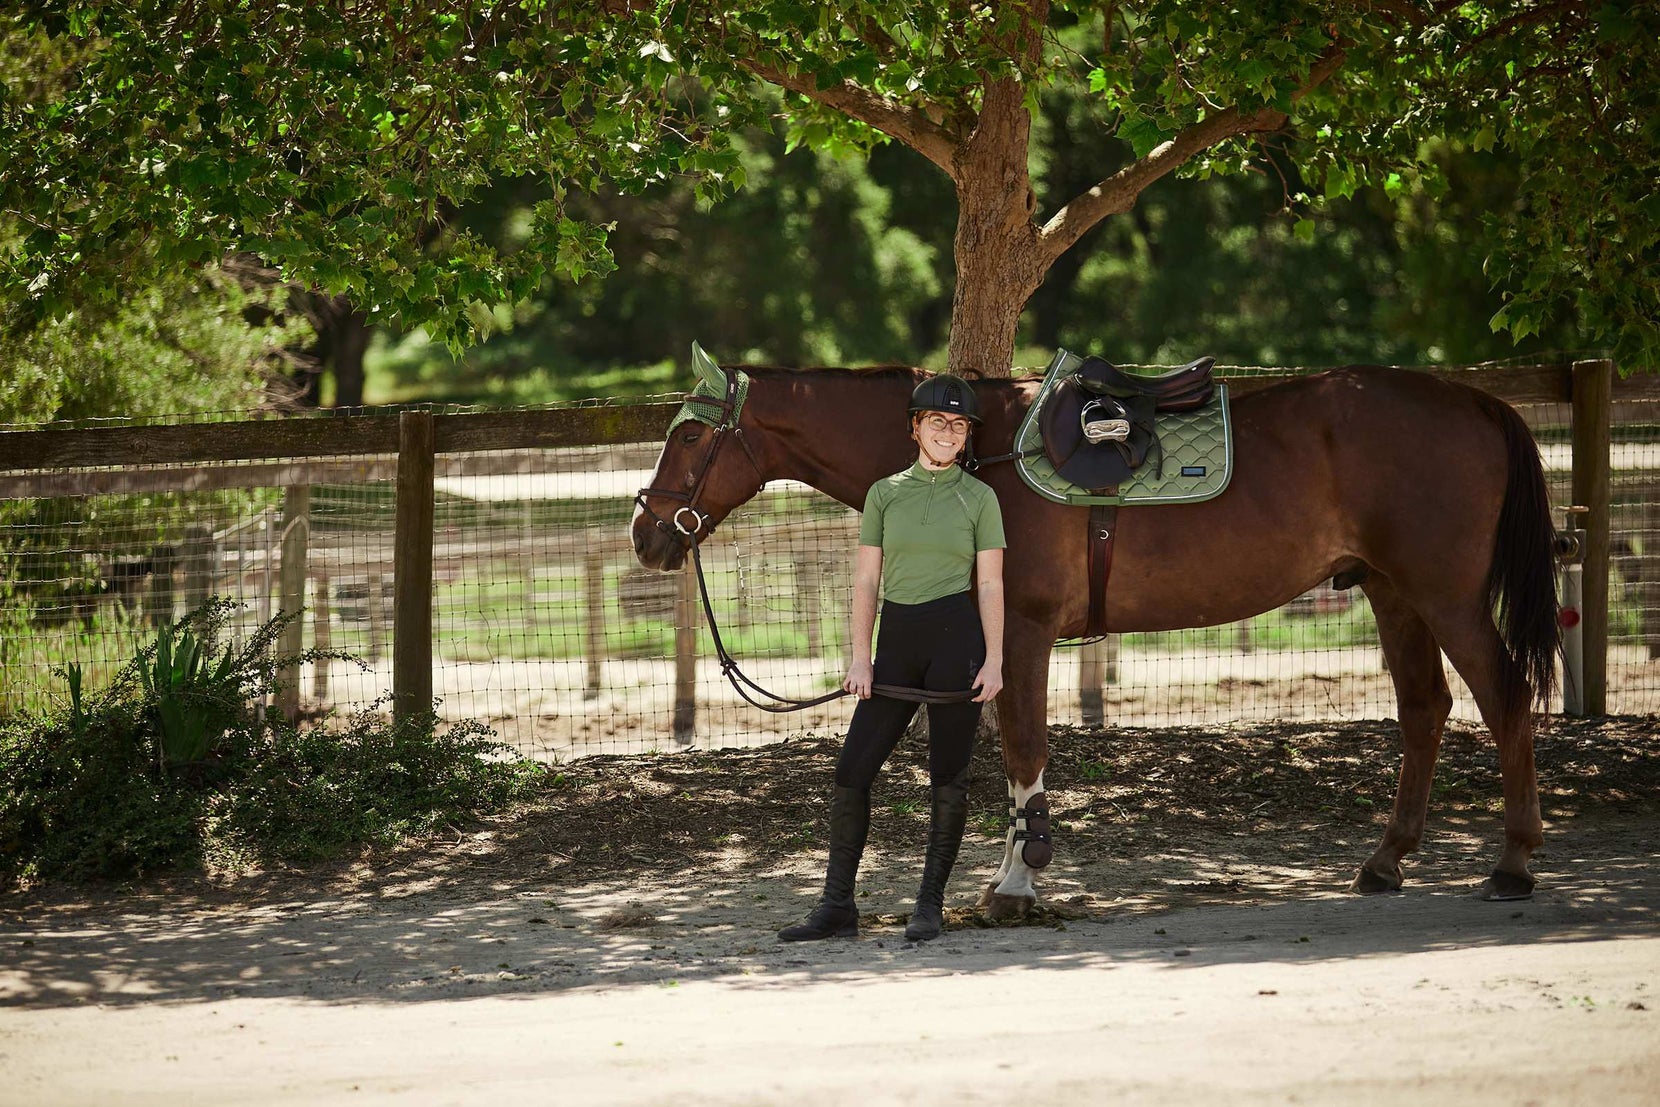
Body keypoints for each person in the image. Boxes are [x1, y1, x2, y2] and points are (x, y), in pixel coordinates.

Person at [778, 373, 1005, 943]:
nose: (948, 432)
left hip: (958, 643)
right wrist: (861, 658)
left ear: (966, 434)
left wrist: (995, 660)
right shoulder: (884, 493)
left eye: (958, 424)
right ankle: (836, 907)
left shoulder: (980, 498)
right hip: (896, 644)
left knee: (948, 778)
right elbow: (866, 580)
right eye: (937, 422)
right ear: (915, 428)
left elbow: (992, 586)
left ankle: (929, 906)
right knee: (852, 770)